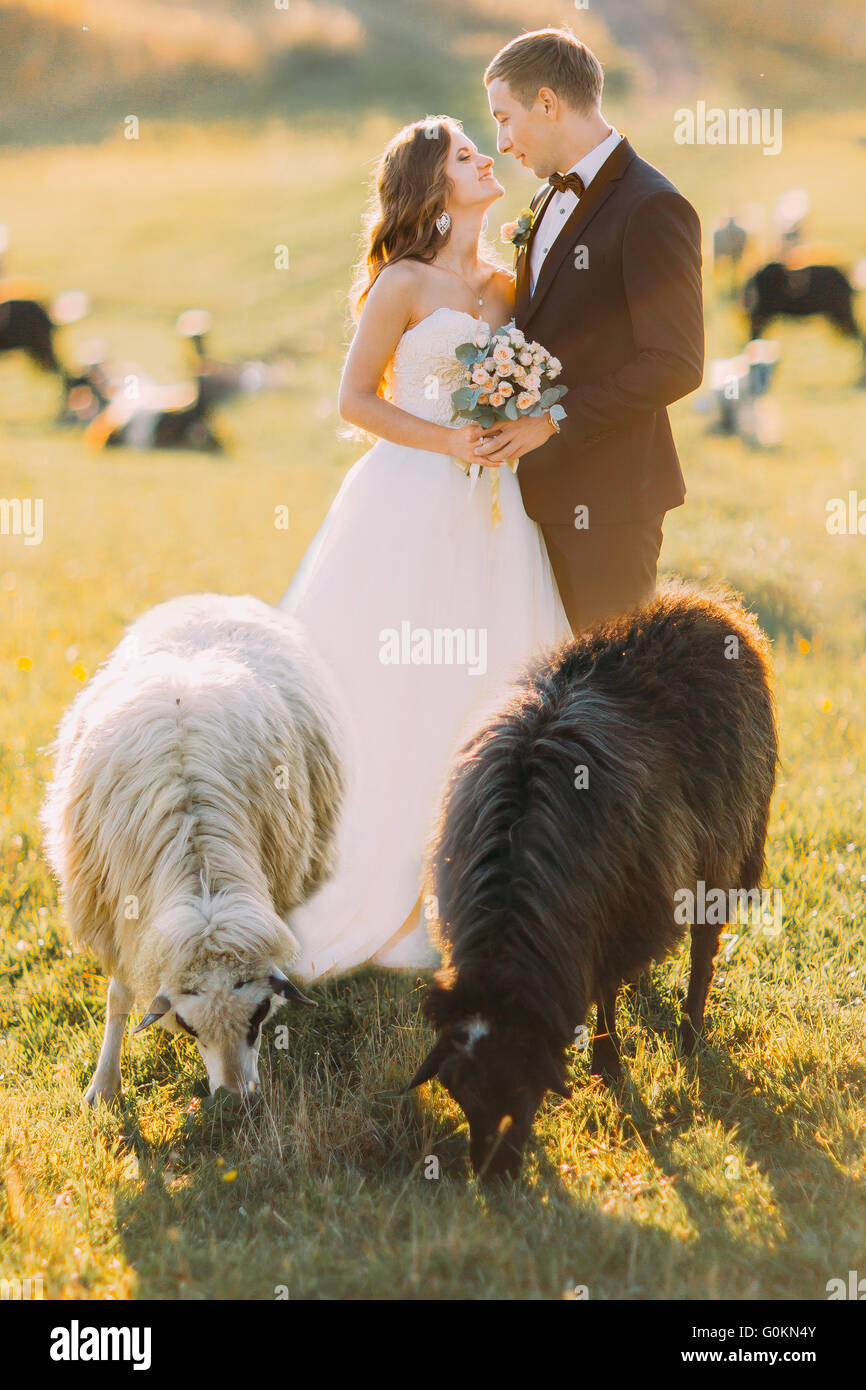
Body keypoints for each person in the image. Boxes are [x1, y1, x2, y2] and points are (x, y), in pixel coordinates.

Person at [277, 116, 570, 980]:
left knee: (493, 678)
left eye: (486, 150)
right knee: (390, 679)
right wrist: (444, 444)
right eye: (467, 157)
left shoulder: (508, 285)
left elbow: (541, 383)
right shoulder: (402, 282)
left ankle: (473, 880)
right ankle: (372, 884)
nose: (488, 159)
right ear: (433, 188)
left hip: (497, 509)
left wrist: (526, 423)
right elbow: (354, 402)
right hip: (407, 499)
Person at [476, 27, 705, 632]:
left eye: (506, 118)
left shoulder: (652, 206)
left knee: (609, 701)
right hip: (536, 496)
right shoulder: (547, 199)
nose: (501, 142)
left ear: (548, 104)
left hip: (610, 503)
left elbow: (675, 362)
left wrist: (550, 419)